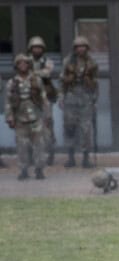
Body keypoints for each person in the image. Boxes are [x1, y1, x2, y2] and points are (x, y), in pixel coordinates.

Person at [5, 53, 48, 180]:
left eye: (25, 63)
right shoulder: (12, 83)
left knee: (39, 144)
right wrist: (10, 117)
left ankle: (39, 169)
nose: (23, 65)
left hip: (36, 117)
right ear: (16, 66)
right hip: (20, 118)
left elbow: (44, 98)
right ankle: (23, 170)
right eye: (20, 63)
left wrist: (47, 115)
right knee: (22, 145)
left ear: (29, 65)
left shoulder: (36, 80)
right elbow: (8, 102)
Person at [60, 36, 98, 168]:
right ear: (74, 49)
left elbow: (95, 82)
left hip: (86, 97)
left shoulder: (92, 62)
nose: (81, 49)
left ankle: (86, 158)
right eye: (78, 46)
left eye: (83, 46)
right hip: (71, 96)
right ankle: (70, 157)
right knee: (69, 127)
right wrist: (61, 97)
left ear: (87, 48)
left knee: (86, 129)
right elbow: (62, 81)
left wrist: (95, 100)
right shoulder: (67, 61)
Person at [28, 36, 57, 166]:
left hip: (45, 99)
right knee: (30, 126)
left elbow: (47, 73)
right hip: (30, 98)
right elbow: (22, 73)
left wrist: (33, 73)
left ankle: (50, 154)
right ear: (31, 48)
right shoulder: (26, 60)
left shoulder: (48, 61)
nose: (37, 49)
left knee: (48, 125)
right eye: (35, 47)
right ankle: (31, 155)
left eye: (39, 47)